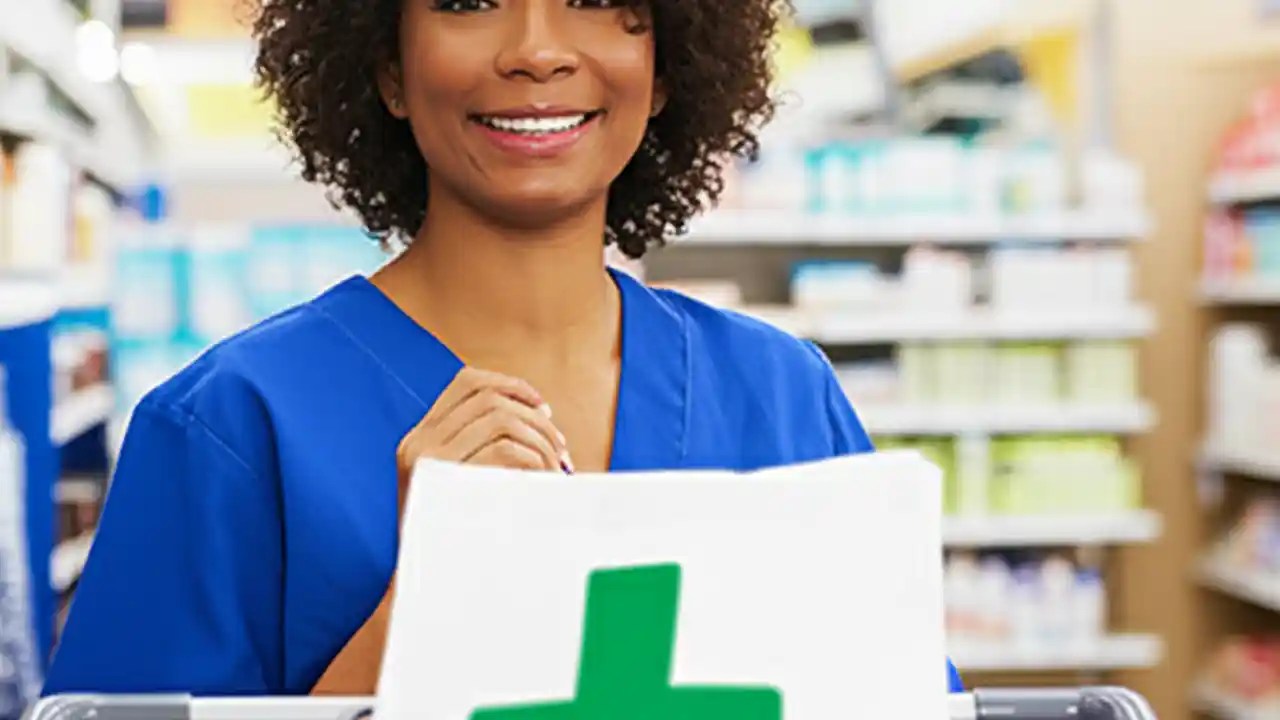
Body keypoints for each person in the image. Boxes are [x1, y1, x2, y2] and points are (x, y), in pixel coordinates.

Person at [45, 0, 963, 698]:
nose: (534, 49)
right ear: (388, 67)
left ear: (667, 61)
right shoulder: (228, 427)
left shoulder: (781, 397)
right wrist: (430, 596)